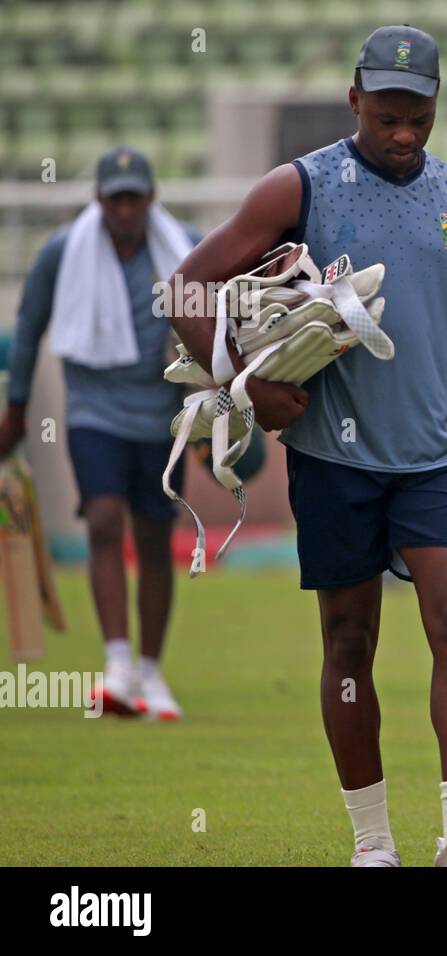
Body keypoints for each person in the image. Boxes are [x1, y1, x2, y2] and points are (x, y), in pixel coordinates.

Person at [165, 26, 447, 867]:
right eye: (388, 116)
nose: (403, 134)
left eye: (419, 118)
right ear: (354, 99)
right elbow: (182, 285)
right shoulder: (300, 186)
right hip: (335, 457)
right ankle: (372, 844)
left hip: (436, 456)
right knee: (349, 642)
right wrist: (245, 379)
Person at [0, 147, 199, 720]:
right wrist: (15, 410)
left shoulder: (184, 245)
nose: (126, 209)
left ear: (150, 198)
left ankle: (153, 672)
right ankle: (118, 664)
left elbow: (215, 323)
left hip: (163, 414)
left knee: (156, 537)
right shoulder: (64, 252)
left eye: (135, 197)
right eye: (116, 198)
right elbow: (30, 326)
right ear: (99, 201)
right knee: (106, 520)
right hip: (93, 411)